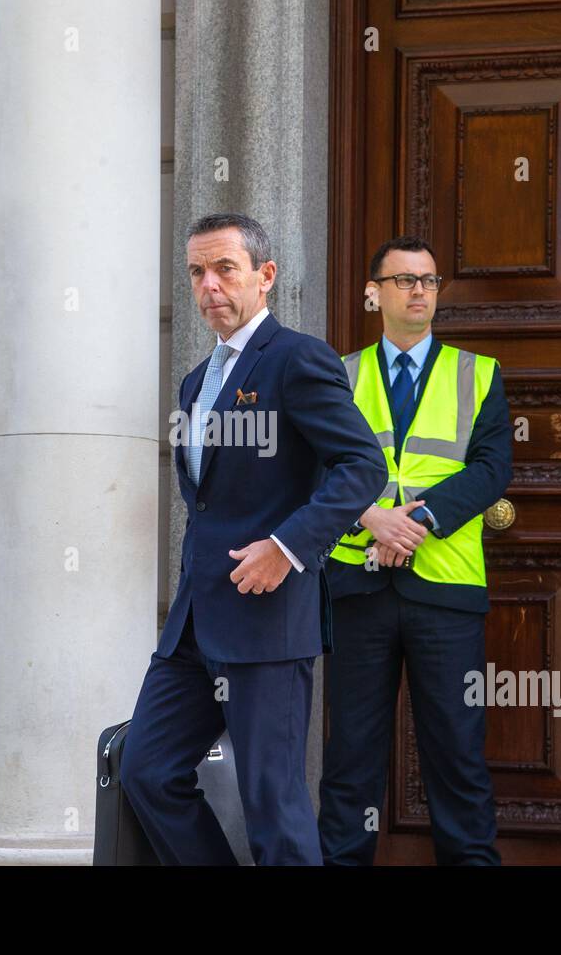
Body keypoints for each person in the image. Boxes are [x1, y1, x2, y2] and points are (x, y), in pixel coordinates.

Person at [120, 213, 387, 865]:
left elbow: (363, 466)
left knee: (273, 803)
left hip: (267, 621)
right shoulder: (193, 382)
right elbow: (205, 499)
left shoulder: (297, 359)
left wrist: (288, 547)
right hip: (193, 625)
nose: (208, 285)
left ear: (265, 277)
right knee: (146, 772)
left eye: (224, 268)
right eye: (196, 272)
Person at [318, 235, 512, 865]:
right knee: (349, 761)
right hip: (357, 590)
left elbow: (491, 470)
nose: (420, 291)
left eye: (428, 280)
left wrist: (420, 520)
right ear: (373, 292)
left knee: (457, 756)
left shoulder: (477, 372)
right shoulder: (338, 374)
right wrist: (374, 521)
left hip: (445, 593)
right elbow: (318, 469)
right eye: (404, 280)